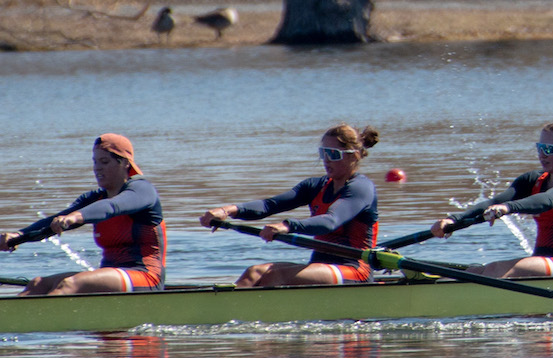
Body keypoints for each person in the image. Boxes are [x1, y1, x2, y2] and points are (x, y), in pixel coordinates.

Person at [201, 123, 380, 287]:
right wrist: (228, 210)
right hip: (321, 267)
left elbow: (330, 221)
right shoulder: (315, 186)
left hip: (354, 270)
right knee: (254, 272)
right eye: (323, 153)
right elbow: (269, 205)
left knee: (275, 277)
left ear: (354, 155)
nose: (326, 160)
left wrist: (287, 225)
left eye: (333, 154)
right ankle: (222, 313)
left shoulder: (361, 188)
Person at [2, 133, 165, 296]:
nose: (97, 168)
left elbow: (112, 206)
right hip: (111, 275)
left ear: (124, 163)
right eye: (95, 162)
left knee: (69, 285)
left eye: (104, 162)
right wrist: (18, 236)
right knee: (37, 284)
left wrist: (75, 217)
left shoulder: (143, 190)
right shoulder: (94, 199)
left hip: (144, 277)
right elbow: (51, 222)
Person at [430, 121, 553, 277]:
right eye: (540, 147)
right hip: (541, 260)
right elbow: (492, 203)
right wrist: (452, 221)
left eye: (550, 149)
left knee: (497, 269)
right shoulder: (532, 180)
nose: (542, 154)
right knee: (476, 271)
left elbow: (547, 200)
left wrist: (507, 208)